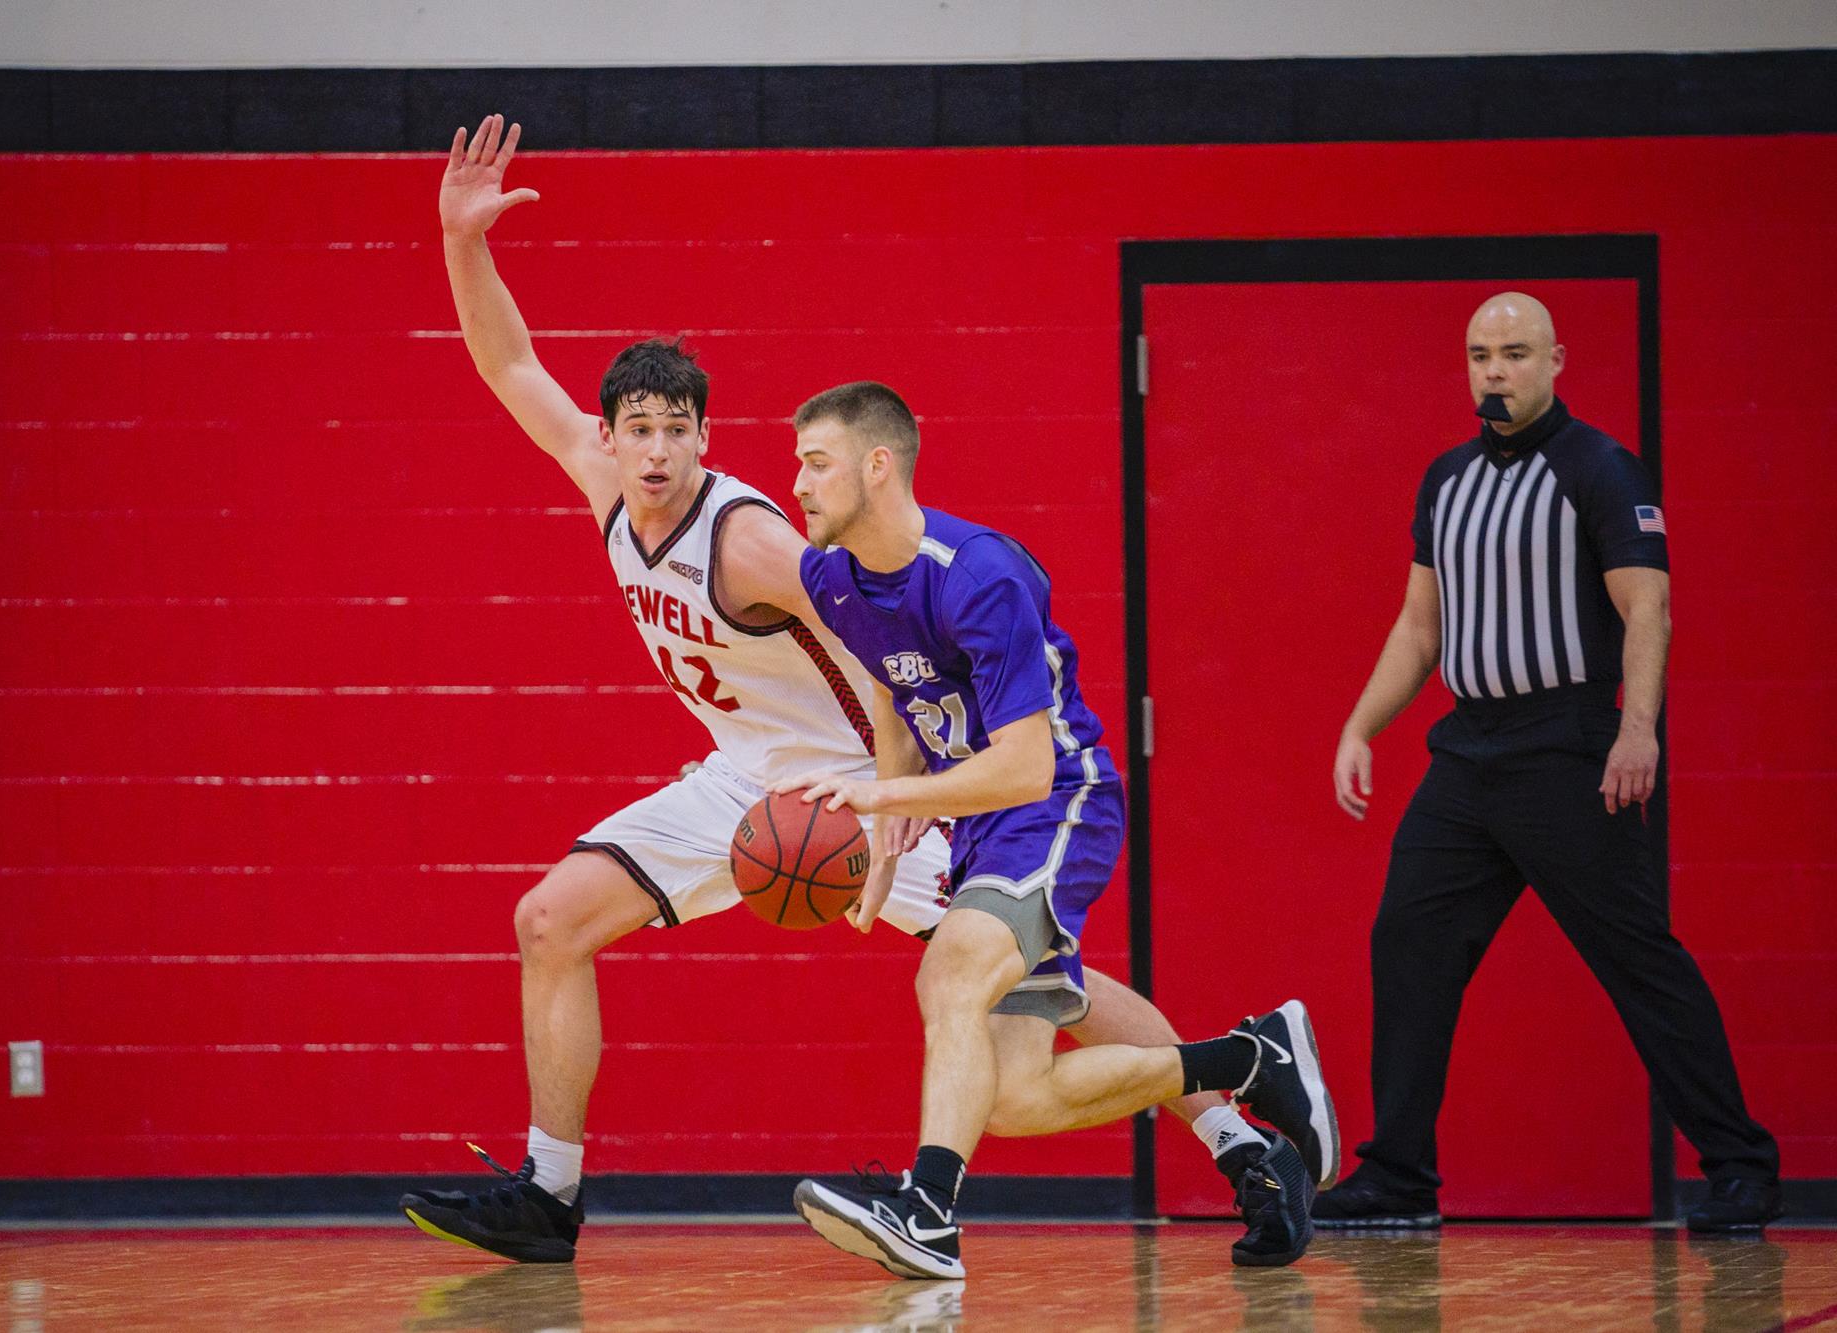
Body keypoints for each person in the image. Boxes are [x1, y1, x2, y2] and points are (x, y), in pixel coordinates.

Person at [398, 115, 1311, 1268]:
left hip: (852, 785)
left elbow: (895, 644)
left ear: (702, 437)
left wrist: (911, 789)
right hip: (739, 776)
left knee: (1048, 985)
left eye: (678, 433)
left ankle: (1237, 1140)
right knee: (549, 919)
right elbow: (507, 364)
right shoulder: (598, 476)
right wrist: (461, 241)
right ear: (614, 436)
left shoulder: (755, 544)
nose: (656, 454)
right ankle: (550, 1192)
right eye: (638, 432)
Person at [781, 381, 1340, 1280]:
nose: (798, 484)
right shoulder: (830, 574)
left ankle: (927, 1211)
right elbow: (892, 689)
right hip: (977, 829)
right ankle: (1250, 1055)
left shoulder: (978, 572)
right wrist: (887, 842)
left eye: (815, 462)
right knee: (1014, 1098)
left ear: (877, 465)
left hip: (1056, 803)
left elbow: (1025, 766)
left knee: (952, 966)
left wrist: (876, 802)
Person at [1319, 292, 1781, 1232]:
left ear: (1557, 360)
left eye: (1516, 353)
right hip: (1468, 753)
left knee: (1638, 959)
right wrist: (1360, 726)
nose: (1495, 370)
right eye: (1481, 354)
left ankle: (1740, 1164)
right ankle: (1399, 1173)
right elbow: (1420, 626)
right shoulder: (1445, 479)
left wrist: (1636, 729)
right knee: (1407, 943)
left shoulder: (1601, 469)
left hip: (1569, 752)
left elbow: (1647, 610)